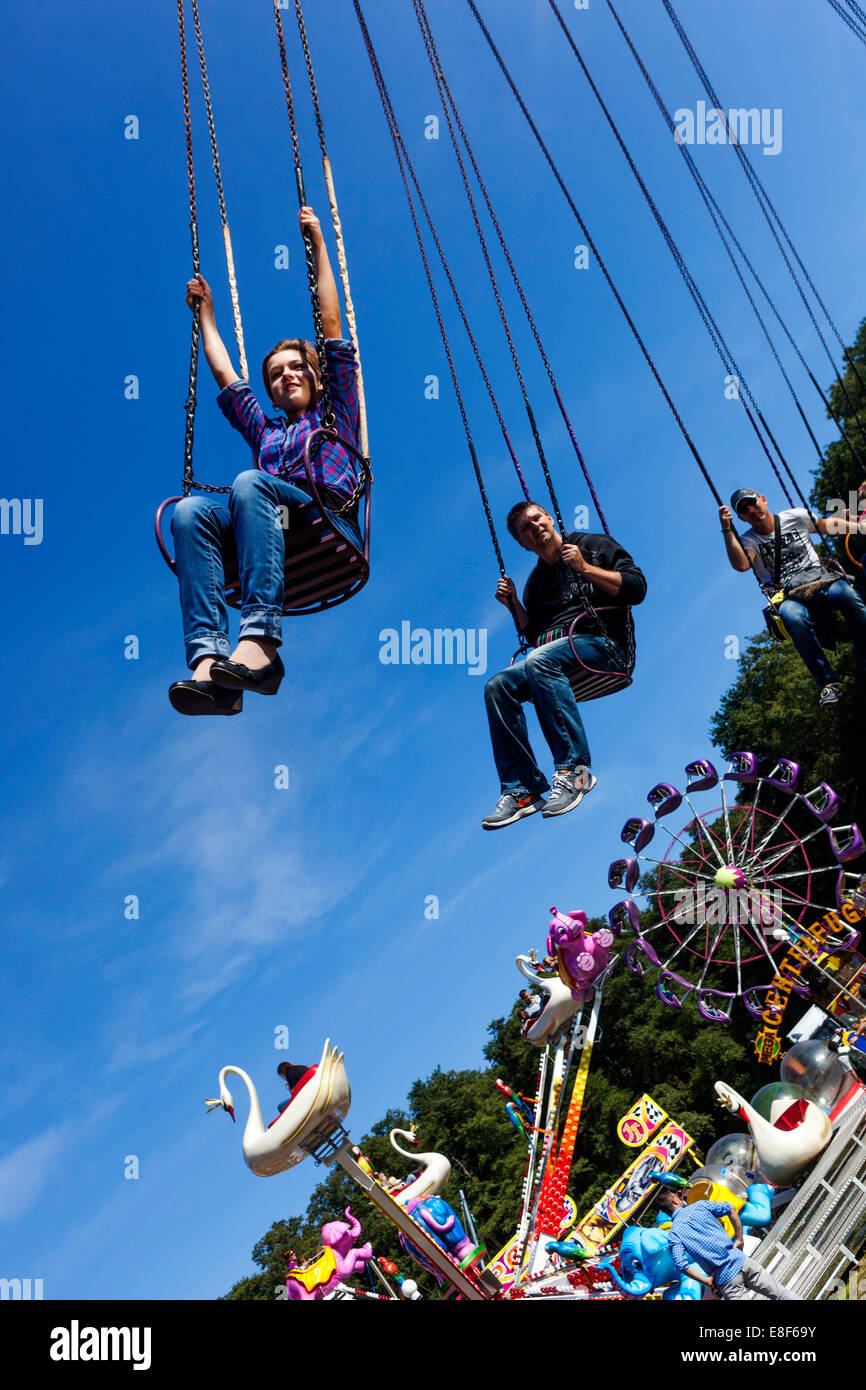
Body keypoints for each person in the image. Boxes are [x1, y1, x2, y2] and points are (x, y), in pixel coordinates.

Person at [168, 205, 363, 716]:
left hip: (322, 516)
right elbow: (226, 377)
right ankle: (212, 665)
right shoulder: (266, 431)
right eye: (276, 374)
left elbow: (330, 322)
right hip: (271, 522)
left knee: (250, 482)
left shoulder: (338, 410)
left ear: (316, 375)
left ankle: (261, 645)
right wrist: (205, 315)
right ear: (271, 392)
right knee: (188, 512)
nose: (287, 376)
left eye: (297, 367)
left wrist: (317, 243)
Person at [482, 501, 646, 828]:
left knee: (539, 659)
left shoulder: (593, 546)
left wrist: (585, 568)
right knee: (497, 686)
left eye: (537, 518)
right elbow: (536, 636)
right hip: (561, 656)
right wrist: (513, 604)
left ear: (550, 517)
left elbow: (636, 589)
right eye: (525, 528)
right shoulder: (535, 585)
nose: (535, 527)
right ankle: (523, 789)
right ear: (522, 543)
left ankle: (575, 771)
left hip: (606, 647)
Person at [720, 487, 866, 707]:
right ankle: (828, 683)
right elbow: (741, 564)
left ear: (763, 499)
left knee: (846, 595)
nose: (751, 510)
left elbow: (826, 525)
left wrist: (859, 527)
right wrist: (727, 530)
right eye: (744, 509)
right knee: (792, 617)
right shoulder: (749, 541)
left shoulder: (795, 516)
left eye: (752, 503)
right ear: (741, 517)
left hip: (820, 580)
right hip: (789, 595)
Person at [656, 1189, 800, 1300]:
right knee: (780, 1294)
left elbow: (681, 1265)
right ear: (675, 1200)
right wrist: (739, 1239)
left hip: (725, 1279)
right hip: (741, 1261)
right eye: (676, 1196)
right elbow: (730, 1208)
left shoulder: (673, 1235)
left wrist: (706, 1281)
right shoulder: (699, 1206)